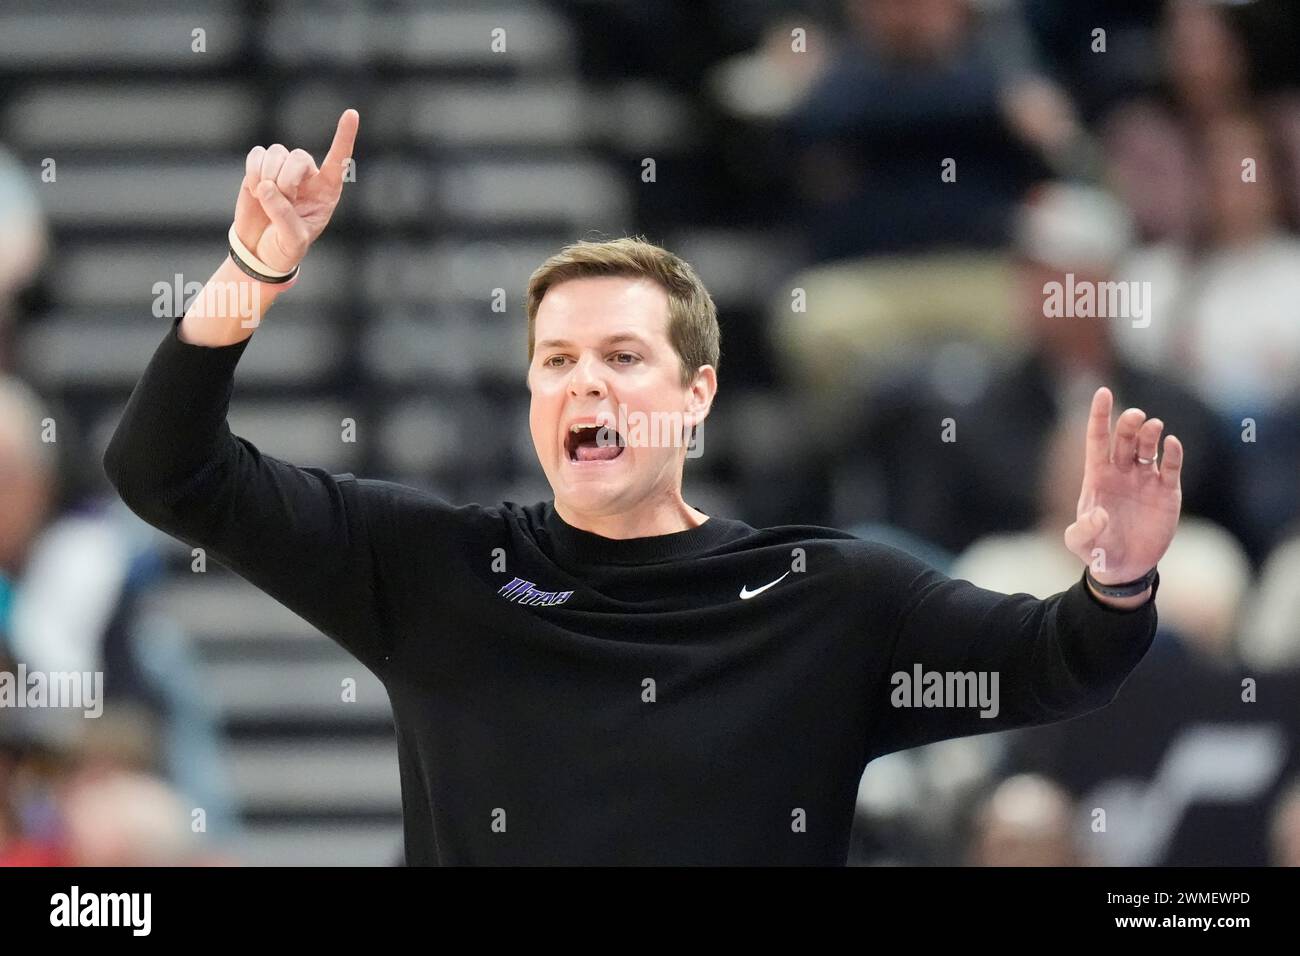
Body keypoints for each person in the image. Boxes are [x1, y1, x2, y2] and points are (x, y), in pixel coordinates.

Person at [103, 110, 1184, 865]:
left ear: (698, 393)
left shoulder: (826, 595)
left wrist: (1122, 575)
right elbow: (164, 467)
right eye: (557, 361)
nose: (586, 384)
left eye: (622, 356)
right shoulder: (431, 568)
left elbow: (1063, 658)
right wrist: (253, 268)